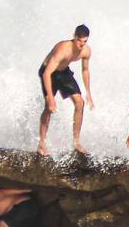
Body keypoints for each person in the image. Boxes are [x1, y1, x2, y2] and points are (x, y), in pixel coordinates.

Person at [37, 24, 94, 155]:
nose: (81, 45)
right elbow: (46, 73)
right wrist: (51, 98)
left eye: (84, 41)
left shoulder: (86, 51)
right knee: (48, 107)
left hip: (64, 72)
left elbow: (85, 70)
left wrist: (88, 93)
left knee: (80, 103)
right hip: (49, 73)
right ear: (74, 37)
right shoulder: (63, 49)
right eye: (79, 41)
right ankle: (41, 144)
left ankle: (76, 142)